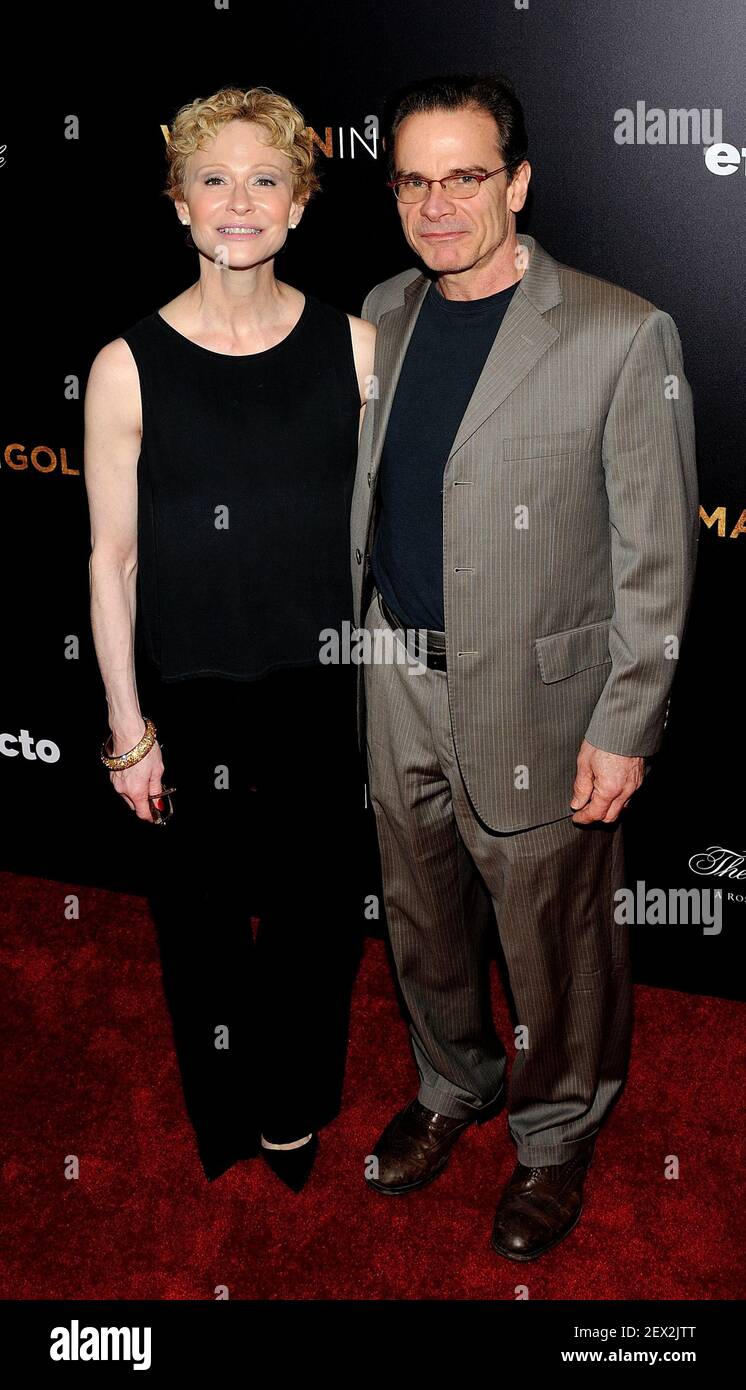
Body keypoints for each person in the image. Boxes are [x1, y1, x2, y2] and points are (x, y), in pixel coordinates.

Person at [351, 73, 698, 1257]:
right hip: (394, 669)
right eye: (413, 178)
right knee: (419, 914)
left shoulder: (618, 329)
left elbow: (656, 555)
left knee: (553, 939)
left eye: (465, 175)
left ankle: (553, 1134)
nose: (437, 202)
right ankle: (452, 1085)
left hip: (546, 700)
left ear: (517, 182)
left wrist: (626, 721)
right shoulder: (384, 310)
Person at [84, 84, 376, 1188]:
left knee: (313, 919)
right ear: (179, 204)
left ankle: (292, 1101)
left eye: (266, 179)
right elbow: (110, 559)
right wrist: (127, 727)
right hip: (189, 684)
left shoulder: (356, 349)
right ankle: (224, 1105)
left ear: (300, 204)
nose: (238, 200)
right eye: (214, 178)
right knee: (197, 920)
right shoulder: (125, 365)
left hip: (320, 685)